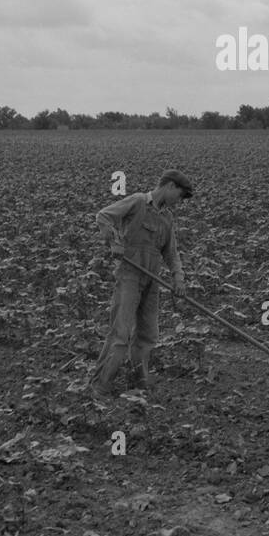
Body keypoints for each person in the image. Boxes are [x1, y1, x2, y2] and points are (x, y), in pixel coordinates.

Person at [89, 169, 193, 400]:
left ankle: (139, 381)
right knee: (121, 333)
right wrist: (114, 241)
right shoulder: (137, 202)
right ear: (170, 187)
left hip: (151, 280)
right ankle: (100, 386)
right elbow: (103, 216)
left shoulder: (167, 217)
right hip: (129, 276)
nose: (179, 201)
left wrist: (178, 277)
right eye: (180, 195)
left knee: (147, 334)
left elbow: (171, 252)